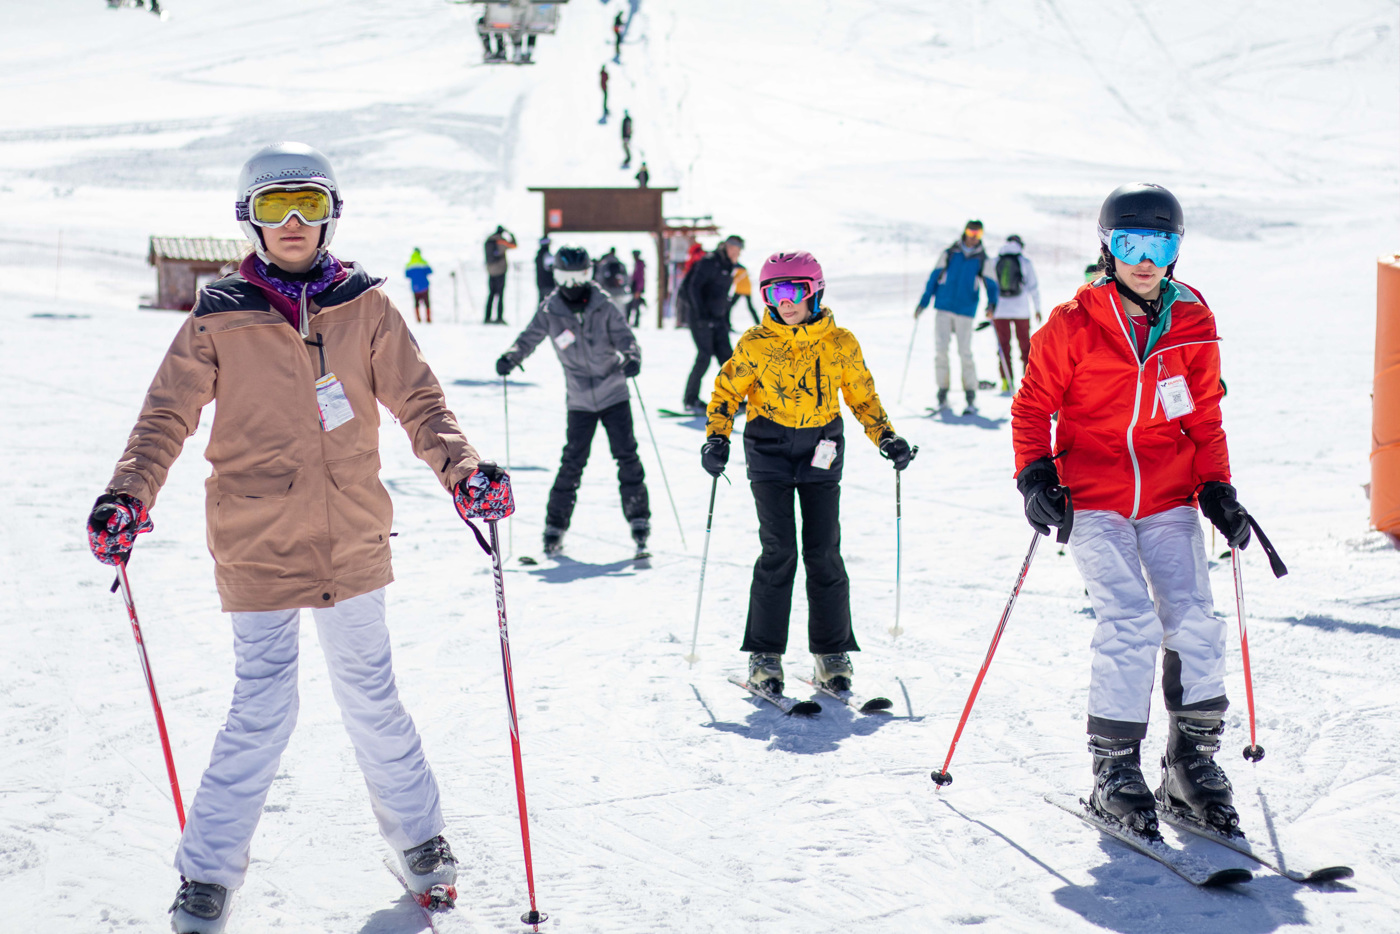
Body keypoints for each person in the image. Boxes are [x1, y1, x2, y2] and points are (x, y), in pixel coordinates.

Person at [85, 143, 512, 934]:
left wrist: (464, 471)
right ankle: (207, 875)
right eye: (275, 205)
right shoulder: (219, 313)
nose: (291, 222)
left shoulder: (367, 306)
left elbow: (421, 403)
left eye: (309, 205)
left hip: (350, 535)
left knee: (372, 698)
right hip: (256, 540)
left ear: (332, 214)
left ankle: (419, 844)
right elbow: (164, 418)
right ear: (247, 217)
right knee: (263, 709)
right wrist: (126, 495)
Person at [1011, 182, 1252, 838]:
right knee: (1130, 622)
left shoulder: (1194, 320)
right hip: (1092, 498)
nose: (1145, 259)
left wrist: (1217, 488)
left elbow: (1203, 414)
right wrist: (1035, 475)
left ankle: (1190, 767)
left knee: (1196, 621)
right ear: (1107, 247)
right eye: (1130, 243)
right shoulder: (1073, 323)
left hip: (1170, 495)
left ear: (1176, 249)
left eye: (1160, 243)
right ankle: (1114, 769)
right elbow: (1033, 406)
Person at [701, 251, 915, 696]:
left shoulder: (840, 342)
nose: (783, 301)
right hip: (768, 449)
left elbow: (862, 396)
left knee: (823, 551)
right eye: (772, 292)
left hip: (822, 447)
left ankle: (830, 652)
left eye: (793, 290)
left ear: (814, 291)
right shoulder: (756, 343)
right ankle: (765, 654)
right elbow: (726, 390)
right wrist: (717, 437)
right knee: (779, 550)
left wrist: (887, 437)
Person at [495, 245, 650, 557]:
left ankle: (639, 520)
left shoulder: (603, 305)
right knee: (572, 463)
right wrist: (512, 356)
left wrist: (632, 358)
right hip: (579, 399)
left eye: (579, 276)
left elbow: (626, 338)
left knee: (627, 457)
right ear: (556, 276)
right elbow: (529, 337)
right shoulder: (551, 311)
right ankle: (554, 527)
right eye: (565, 277)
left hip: (614, 393)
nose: (572, 284)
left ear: (588, 274)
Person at [915, 219, 999, 414]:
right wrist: (923, 302)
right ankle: (942, 395)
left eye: (977, 234)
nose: (973, 237)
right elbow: (933, 278)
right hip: (944, 306)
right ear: (965, 232)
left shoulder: (982, 258)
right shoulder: (950, 253)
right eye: (971, 232)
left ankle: (970, 397)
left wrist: (992, 304)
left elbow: (991, 284)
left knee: (965, 353)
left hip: (966, 310)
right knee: (941, 351)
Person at [681, 235, 743, 411]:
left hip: (718, 318)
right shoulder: (709, 262)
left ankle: (733, 399)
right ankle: (690, 399)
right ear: (725, 247)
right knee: (704, 356)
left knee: (728, 359)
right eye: (732, 248)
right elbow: (693, 287)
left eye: (738, 250)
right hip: (700, 317)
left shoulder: (729, 266)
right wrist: (700, 313)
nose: (735, 253)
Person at [990, 234, 1042, 390]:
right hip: (1021, 310)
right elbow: (1033, 287)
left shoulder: (995, 261)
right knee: (1025, 346)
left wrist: (990, 307)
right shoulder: (1024, 262)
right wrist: (1037, 309)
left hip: (1000, 310)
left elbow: (990, 287)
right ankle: (1029, 381)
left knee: (1003, 346)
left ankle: (1006, 381)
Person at [483, 225, 516, 324]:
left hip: (491, 270)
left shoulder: (488, 241)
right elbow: (514, 245)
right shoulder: (501, 241)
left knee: (491, 294)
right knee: (500, 295)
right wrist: (510, 234)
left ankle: (487, 317)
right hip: (501, 271)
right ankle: (499, 317)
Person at [404, 247, 433, 323]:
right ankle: (428, 318)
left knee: (416, 303)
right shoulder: (423, 262)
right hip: (424, 286)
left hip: (415, 287)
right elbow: (430, 271)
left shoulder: (409, 263)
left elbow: (407, 275)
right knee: (427, 303)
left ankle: (418, 319)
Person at [729, 262, 759, 326]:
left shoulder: (736, 270)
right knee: (750, 307)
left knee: (729, 306)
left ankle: (727, 323)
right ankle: (758, 323)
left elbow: (733, 280)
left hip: (740, 289)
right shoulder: (743, 269)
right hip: (747, 289)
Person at [627, 249, 646, 327]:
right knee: (633, 306)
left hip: (637, 289)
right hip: (635, 288)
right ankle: (634, 322)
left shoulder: (639, 265)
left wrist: (638, 290)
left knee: (634, 306)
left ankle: (636, 322)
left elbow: (640, 278)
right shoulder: (637, 264)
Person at [535, 236, 556, 308]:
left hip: (541, 283)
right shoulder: (547, 255)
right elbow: (553, 266)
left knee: (542, 304)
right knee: (548, 305)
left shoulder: (539, 255)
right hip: (548, 284)